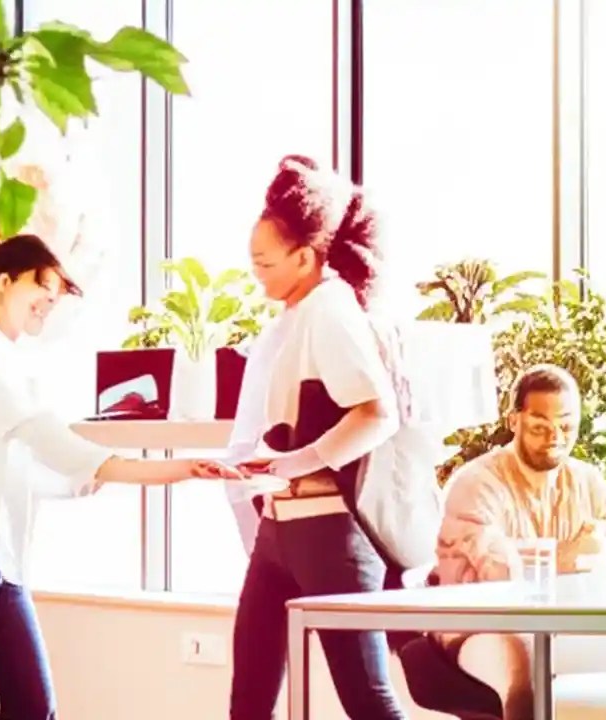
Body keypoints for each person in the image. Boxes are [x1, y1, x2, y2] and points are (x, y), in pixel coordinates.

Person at [0, 234, 241, 719]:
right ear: (5, 281)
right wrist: (171, 469)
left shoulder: (4, 356)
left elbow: (19, 469)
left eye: (54, 299)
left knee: (33, 708)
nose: (48, 305)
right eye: (42, 290)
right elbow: (55, 444)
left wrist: (85, 481)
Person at [227, 155, 409, 720]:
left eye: (264, 262)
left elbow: (378, 414)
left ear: (305, 256)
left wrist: (293, 462)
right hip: (281, 532)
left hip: (329, 533)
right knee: (251, 696)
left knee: (368, 701)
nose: (256, 274)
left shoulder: (330, 309)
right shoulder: (299, 311)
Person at [433, 363, 606, 720]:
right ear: (514, 421)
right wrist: (565, 556)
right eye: (541, 426)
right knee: (523, 664)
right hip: (482, 627)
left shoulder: (588, 481)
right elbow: (492, 571)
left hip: (562, 627)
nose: (555, 436)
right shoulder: (476, 483)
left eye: (567, 426)